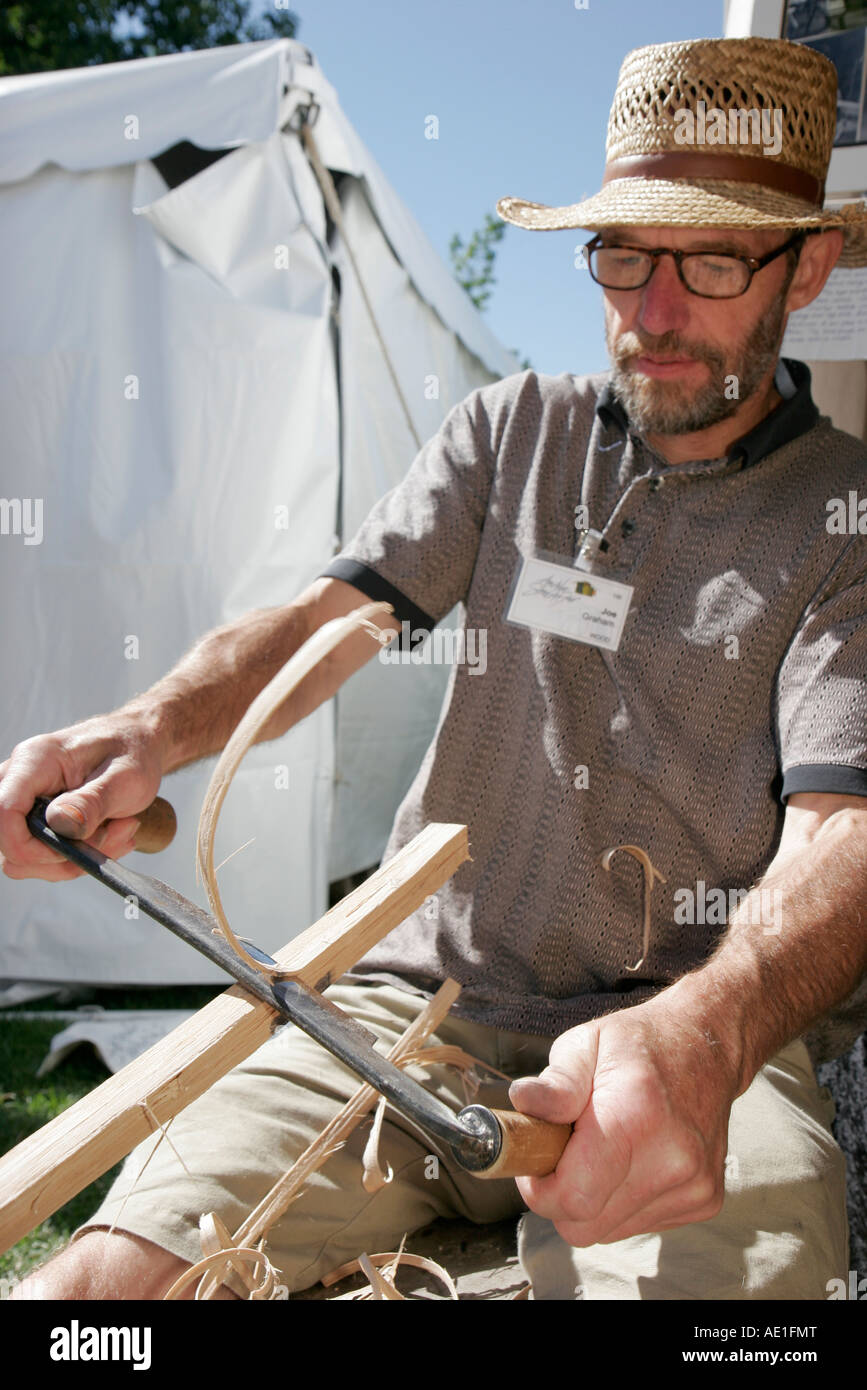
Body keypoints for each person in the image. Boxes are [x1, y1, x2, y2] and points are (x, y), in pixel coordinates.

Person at [3, 35, 867, 1301]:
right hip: (408, 1009)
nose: (655, 311)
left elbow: (843, 834)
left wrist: (716, 1025)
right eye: (624, 255)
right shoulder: (513, 431)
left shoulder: (845, 515)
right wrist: (147, 730)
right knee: (95, 1299)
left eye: (714, 260)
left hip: (686, 1045)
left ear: (808, 267)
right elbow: (325, 621)